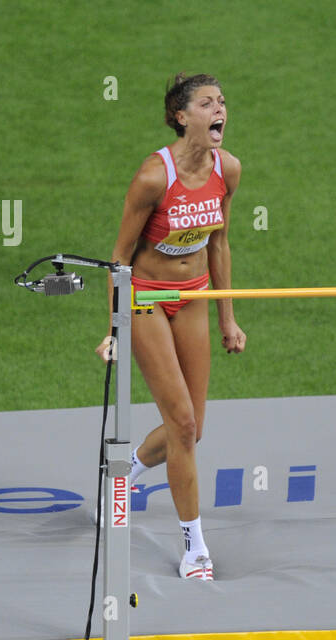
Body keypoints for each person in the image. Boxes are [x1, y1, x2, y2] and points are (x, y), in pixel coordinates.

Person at [95, 73, 245, 581]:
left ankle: (125, 473)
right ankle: (195, 548)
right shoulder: (153, 177)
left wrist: (229, 317)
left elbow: (220, 244)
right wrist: (114, 328)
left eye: (221, 102)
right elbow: (119, 257)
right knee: (181, 423)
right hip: (147, 300)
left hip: (196, 295)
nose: (219, 109)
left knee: (193, 430)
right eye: (207, 103)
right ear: (183, 117)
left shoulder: (229, 169)